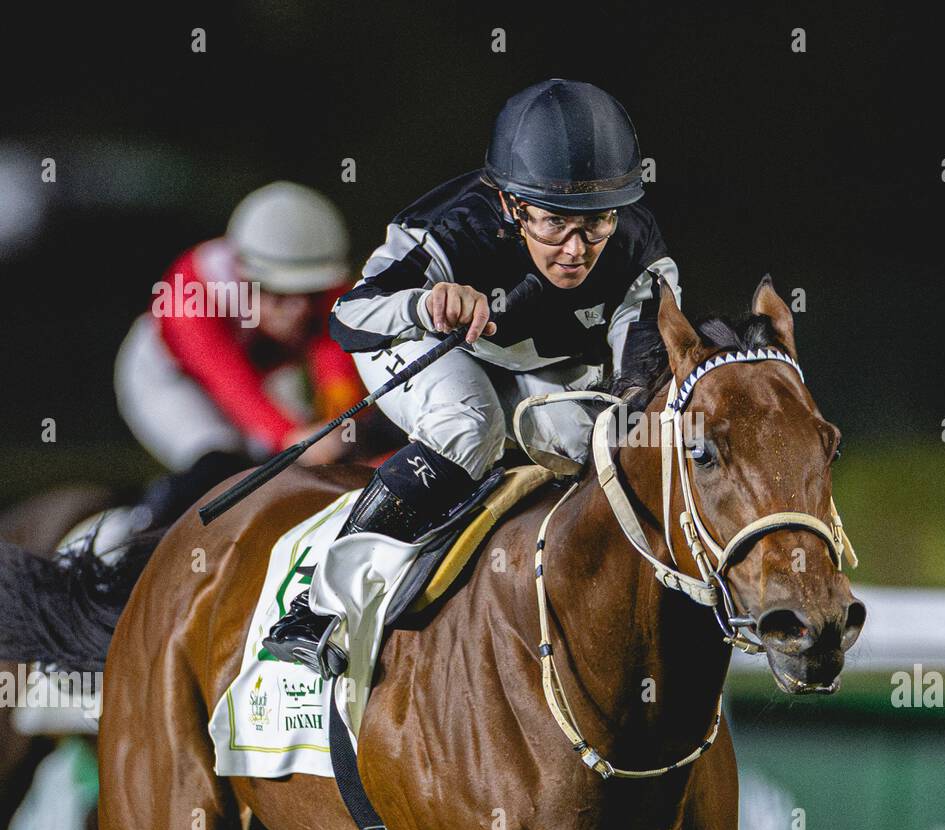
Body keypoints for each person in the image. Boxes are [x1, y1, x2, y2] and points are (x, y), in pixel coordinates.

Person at [263, 79, 681, 670]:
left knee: (594, 438)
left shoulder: (638, 244)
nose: (577, 249)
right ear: (511, 205)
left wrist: (629, 419)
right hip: (418, 339)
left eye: (596, 222)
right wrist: (424, 304)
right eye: (554, 221)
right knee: (469, 423)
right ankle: (317, 608)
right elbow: (349, 319)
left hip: (528, 357)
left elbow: (639, 365)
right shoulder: (456, 230)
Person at [115, 182, 366, 528]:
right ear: (243, 277)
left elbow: (336, 363)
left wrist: (340, 424)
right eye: (280, 295)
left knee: (290, 462)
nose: (300, 310)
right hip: (172, 380)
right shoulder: (192, 291)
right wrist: (291, 435)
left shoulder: (321, 277)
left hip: (262, 373)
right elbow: (230, 383)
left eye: (311, 295)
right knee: (219, 461)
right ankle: (133, 534)